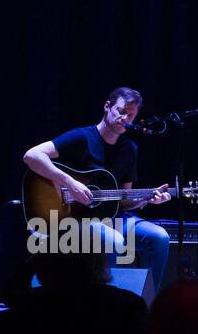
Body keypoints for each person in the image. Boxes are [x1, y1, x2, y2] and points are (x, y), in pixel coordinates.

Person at [22, 86, 173, 287]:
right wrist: (70, 182)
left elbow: (124, 200)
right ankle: (102, 305)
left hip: (113, 218)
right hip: (74, 218)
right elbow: (31, 156)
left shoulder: (129, 149)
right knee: (113, 240)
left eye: (131, 115)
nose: (125, 119)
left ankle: (149, 307)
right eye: (121, 111)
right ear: (107, 107)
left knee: (160, 237)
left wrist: (147, 199)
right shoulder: (82, 138)